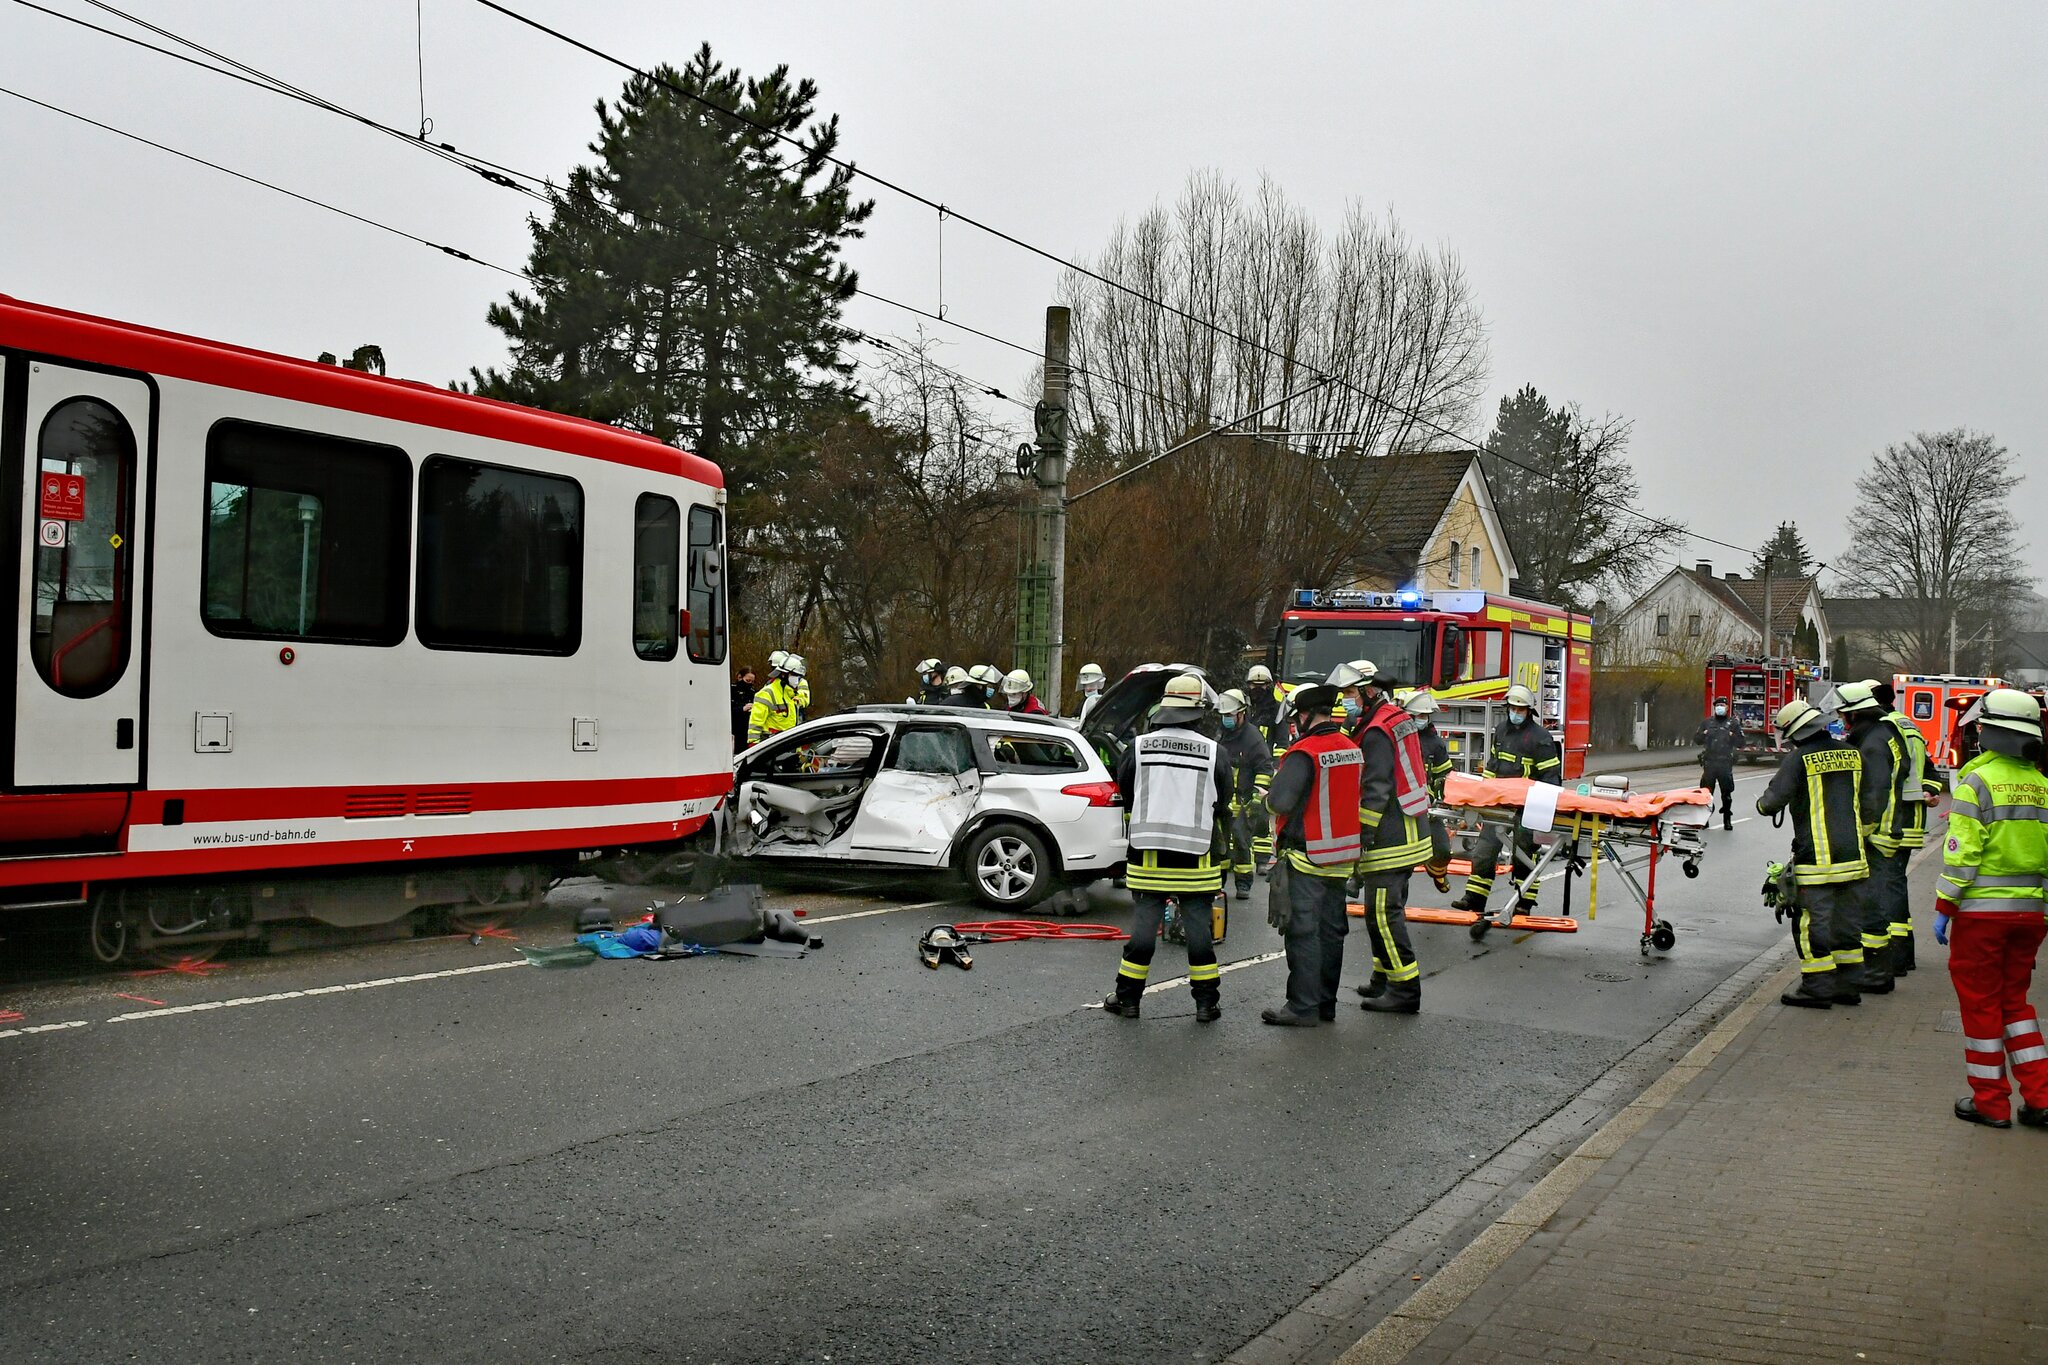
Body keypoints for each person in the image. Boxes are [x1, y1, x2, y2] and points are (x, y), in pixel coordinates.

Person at [1935, 688, 2048, 1127]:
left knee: (1981, 1006)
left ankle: (1991, 1103)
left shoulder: (1976, 782)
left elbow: (1962, 857)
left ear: (1992, 734)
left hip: (1981, 917)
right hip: (2031, 917)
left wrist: (1945, 905)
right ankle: (2040, 1098)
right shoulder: (2043, 786)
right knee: (2015, 1004)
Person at [1103, 673, 1233, 1024]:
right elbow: (1224, 802)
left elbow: (1126, 791)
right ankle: (1207, 1004)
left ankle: (1128, 1000)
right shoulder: (1213, 752)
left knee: (1143, 934)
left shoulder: (1139, 747)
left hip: (1148, 855)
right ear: (1198, 711)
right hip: (1196, 857)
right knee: (1199, 935)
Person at [1329, 661, 1432, 1013]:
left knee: (1382, 913)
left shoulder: (1376, 731)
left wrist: (1363, 834)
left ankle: (1404, 991)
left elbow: (1375, 789)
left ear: (1369, 692)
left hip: (1391, 837)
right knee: (1385, 910)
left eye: (1350, 694)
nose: (1345, 701)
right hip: (1410, 826)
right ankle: (1382, 977)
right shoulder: (1394, 718)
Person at [1756, 696, 1870, 1008]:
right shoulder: (1853, 754)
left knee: (1811, 922)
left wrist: (1762, 802)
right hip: (1854, 859)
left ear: (1794, 733)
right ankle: (1848, 986)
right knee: (1848, 923)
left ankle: (1817, 988)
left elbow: (1769, 804)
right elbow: (1871, 800)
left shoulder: (1798, 759)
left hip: (1816, 861)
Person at [1260, 683, 1361, 1026]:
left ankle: (1302, 1007)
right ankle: (1325, 1004)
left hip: (1307, 856)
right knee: (1332, 933)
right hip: (1341, 857)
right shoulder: (1351, 748)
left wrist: (1266, 799)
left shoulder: (1304, 752)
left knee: (1303, 932)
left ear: (1304, 716)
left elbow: (1280, 802)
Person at [1455, 684, 1563, 923]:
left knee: (1524, 854)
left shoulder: (1541, 738)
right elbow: (1493, 766)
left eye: (1520, 709)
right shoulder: (1501, 730)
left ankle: (1524, 904)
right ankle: (1474, 898)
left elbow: (1550, 777)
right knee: (1484, 851)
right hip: (1499, 803)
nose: (1515, 712)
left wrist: (1546, 810)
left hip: (1527, 806)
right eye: (1512, 708)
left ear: (1528, 711)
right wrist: (1483, 797)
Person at [1838, 681, 1906, 995]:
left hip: (1878, 833)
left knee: (1871, 902)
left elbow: (1874, 792)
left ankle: (1877, 973)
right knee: (1873, 899)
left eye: (1843, 714)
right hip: (1887, 828)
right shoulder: (1883, 733)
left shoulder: (1873, 744)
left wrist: (1861, 831)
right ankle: (1878, 969)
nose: (1841, 719)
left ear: (1855, 714)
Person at [1873, 679, 1941, 973]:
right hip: (1911, 820)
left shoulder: (1884, 729)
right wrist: (1929, 791)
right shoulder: (1909, 725)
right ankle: (1903, 954)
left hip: (1891, 821)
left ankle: (1894, 956)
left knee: (1886, 887)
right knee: (1896, 884)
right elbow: (1930, 770)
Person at [1215, 688, 1274, 902]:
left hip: (1243, 800)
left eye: (1230, 715)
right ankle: (1217, 883)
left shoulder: (1253, 737)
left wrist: (1257, 797)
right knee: (1219, 843)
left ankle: (1243, 883)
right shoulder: (1220, 734)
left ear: (1241, 714)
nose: (1226, 719)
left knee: (1241, 841)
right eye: (1224, 716)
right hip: (1221, 800)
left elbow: (1265, 767)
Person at [1404, 689, 1456, 893]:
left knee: (1442, 850)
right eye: (1418, 716)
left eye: (1425, 716)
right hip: (1402, 808)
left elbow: (1445, 776)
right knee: (1400, 861)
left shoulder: (1435, 743)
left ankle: (1438, 872)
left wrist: (1446, 800)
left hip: (1429, 809)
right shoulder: (1398, 740)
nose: (1422, 720)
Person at [1695, 699, 1744, 830]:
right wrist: (1704, 733)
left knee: (1726, 794)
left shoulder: (1733, 724)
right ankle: (1704, 820)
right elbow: (1697, 739)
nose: (1719, 708)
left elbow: (1741, 742)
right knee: (1706, 794)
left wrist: (1731, 735)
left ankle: (1727, 820)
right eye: (1717, 705)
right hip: (1710, 762)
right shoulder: (1707, 722)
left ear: (1727, 707)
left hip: (1725, 762)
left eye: (1722, 705)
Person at [747, 656, 806, 748]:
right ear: (783, 674)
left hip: (787, 746)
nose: (797, 679)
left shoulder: (790, 694)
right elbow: (755, 723)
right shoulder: (767, 693)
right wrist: (754, 746)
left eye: (798, 676)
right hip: (771, 747)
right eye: (794, 675)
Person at [1246, 664, 1281, 741]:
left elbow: (1282, 742)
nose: (1258, 688)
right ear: (1248, 685)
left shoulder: (1277, 709)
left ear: (1268, 685)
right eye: (1254, 685)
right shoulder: (1242, 707)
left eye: (1261, 685)